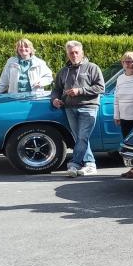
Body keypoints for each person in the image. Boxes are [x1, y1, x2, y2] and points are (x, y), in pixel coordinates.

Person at [50, 40, 105, 177]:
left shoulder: (92, 67)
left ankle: (75, 164)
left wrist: (80, 91)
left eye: (76, 52)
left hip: (88, 107)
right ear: (67, 54)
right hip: (69, 108)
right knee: (79, 138)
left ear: (82, 53)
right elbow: (56, 89)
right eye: (71, 53)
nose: (74, 55)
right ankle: (89, 164)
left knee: (82, 136)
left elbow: (100, 87)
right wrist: (54, 100)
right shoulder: (63, 71)